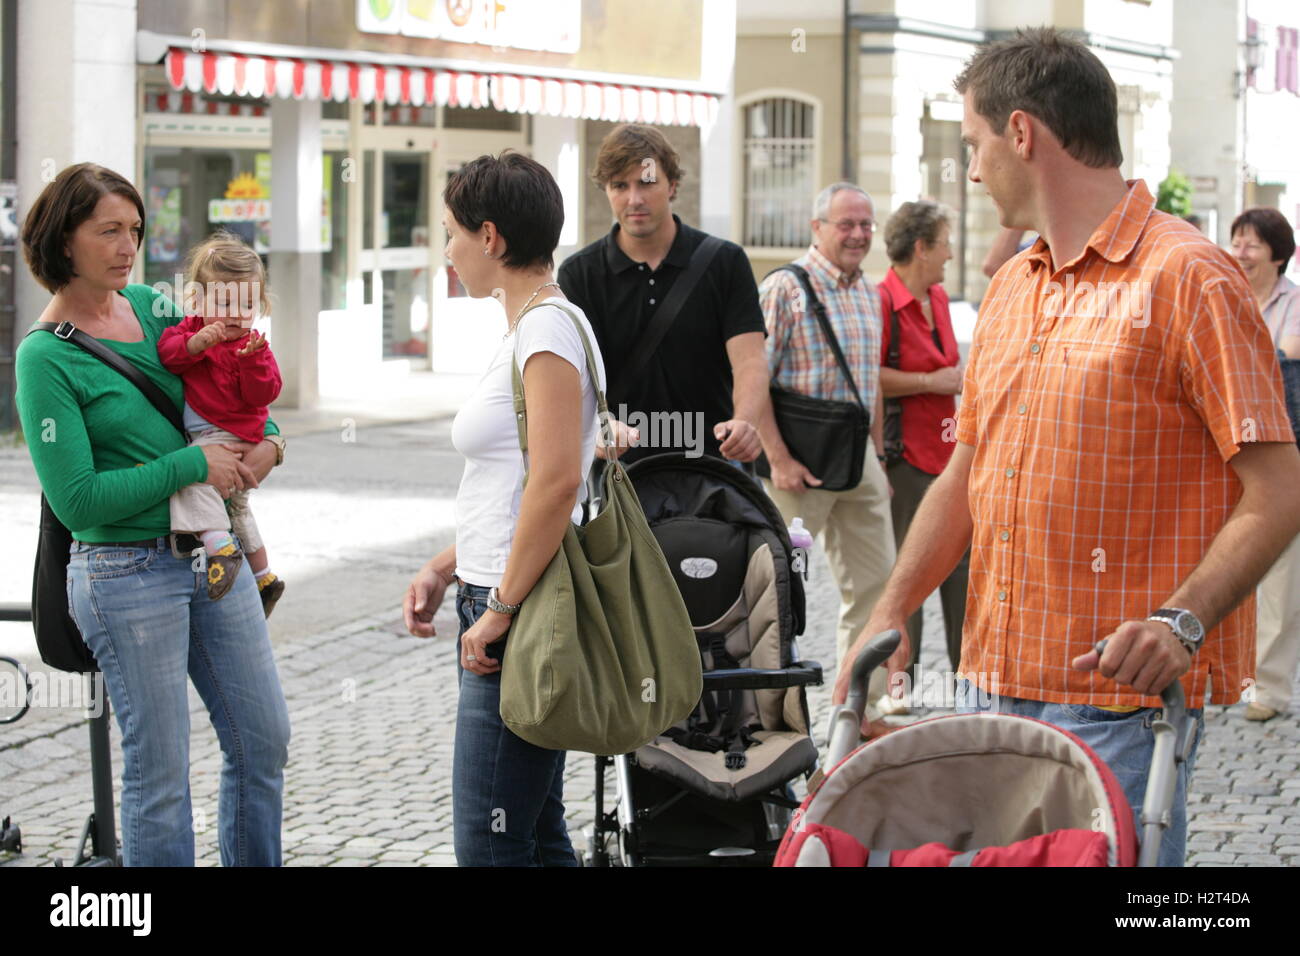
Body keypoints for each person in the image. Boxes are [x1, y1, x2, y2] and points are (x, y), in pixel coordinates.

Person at [835, 28, 1300, 866]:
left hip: (1115, 703)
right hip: (991, 683)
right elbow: (967, 472)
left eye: (975, 144)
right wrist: (891, 609)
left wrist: (1182, 623)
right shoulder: (1012, 285)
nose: (971, 172)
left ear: (1022, 134)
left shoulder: (1189, 277)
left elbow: (1279, 490)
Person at [15, 163, 290, 866]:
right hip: (124, 571)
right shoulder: (44, 358)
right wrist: (194, 466)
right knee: (161, 778)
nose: (127, 245)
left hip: (216, 558)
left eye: (134, 229)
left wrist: (272, 445)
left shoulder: (153, 307)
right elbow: (77, 502)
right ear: (62, 239)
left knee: (263, 742)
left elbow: (229, 392)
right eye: (108, 230)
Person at [403, 151, 604, 867]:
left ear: (491, 238)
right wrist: (445, 565)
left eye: (453, 233)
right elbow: (522, 489)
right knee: (537, 837)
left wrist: (501, 608)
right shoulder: (531, 328)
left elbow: (555, 483)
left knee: (489, 846)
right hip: (500, 592)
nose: (448, 250)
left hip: (519, 610)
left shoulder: (547, 330)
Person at [757, 182, 896, 731]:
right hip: (799, 465)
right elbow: (753, 383)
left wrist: (878, 457)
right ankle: (768, 709)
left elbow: (872, 386)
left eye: (866, 225)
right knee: (779, 588)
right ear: (818, 228)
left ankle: (858, 708)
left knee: (878, 583)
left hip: (857, 458)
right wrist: (778, 459)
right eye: (847, 224)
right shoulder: (785, 288)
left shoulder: (870, 291)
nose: (859, 234)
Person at [557, 123, 767, 465]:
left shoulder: (725, 262)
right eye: (619, 186)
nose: (634, 199)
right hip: (621, 472)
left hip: (713, 465)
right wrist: (598, 423)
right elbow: (575, 377)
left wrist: (745, 421)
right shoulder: (580, 274)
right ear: (606, 191)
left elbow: (750, 360)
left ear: (673, 185)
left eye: (647, 182)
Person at [157, 232, 286, 615]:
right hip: (216, 431)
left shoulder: (254, 345)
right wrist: (196, 344)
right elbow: (168, 355)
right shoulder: (191, 330)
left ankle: (220, 549)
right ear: (198, 300)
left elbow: (266, 394)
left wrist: (252, 361)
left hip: (230, 435)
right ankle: (263, 577)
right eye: (225, 301)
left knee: (191, 483)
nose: (235, 313)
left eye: (247, 304)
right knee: (239, 508)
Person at [877, 200, 968, 704]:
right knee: (910, 572)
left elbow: (953, 364)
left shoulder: (937, 296)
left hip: (951, 452)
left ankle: (968, 678)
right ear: (921, 247)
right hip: (906, 455)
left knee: (962, 568)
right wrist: (928, 381)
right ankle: (899, 683)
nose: (950, 253)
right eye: (944, 243)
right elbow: (872, 377)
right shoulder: (884, 301)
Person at [1229, 207, 1300, 721]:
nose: (1240, 253)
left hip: (1282, 449)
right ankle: (1225, 671)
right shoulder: (1225, 298)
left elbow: (1285, 357)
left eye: (1251, 244)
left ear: (1277, 253)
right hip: (1229, 449)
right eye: (1235, 242)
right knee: (1226, 563)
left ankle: (1269, 689)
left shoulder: (1295, 304)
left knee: (1279, 575)